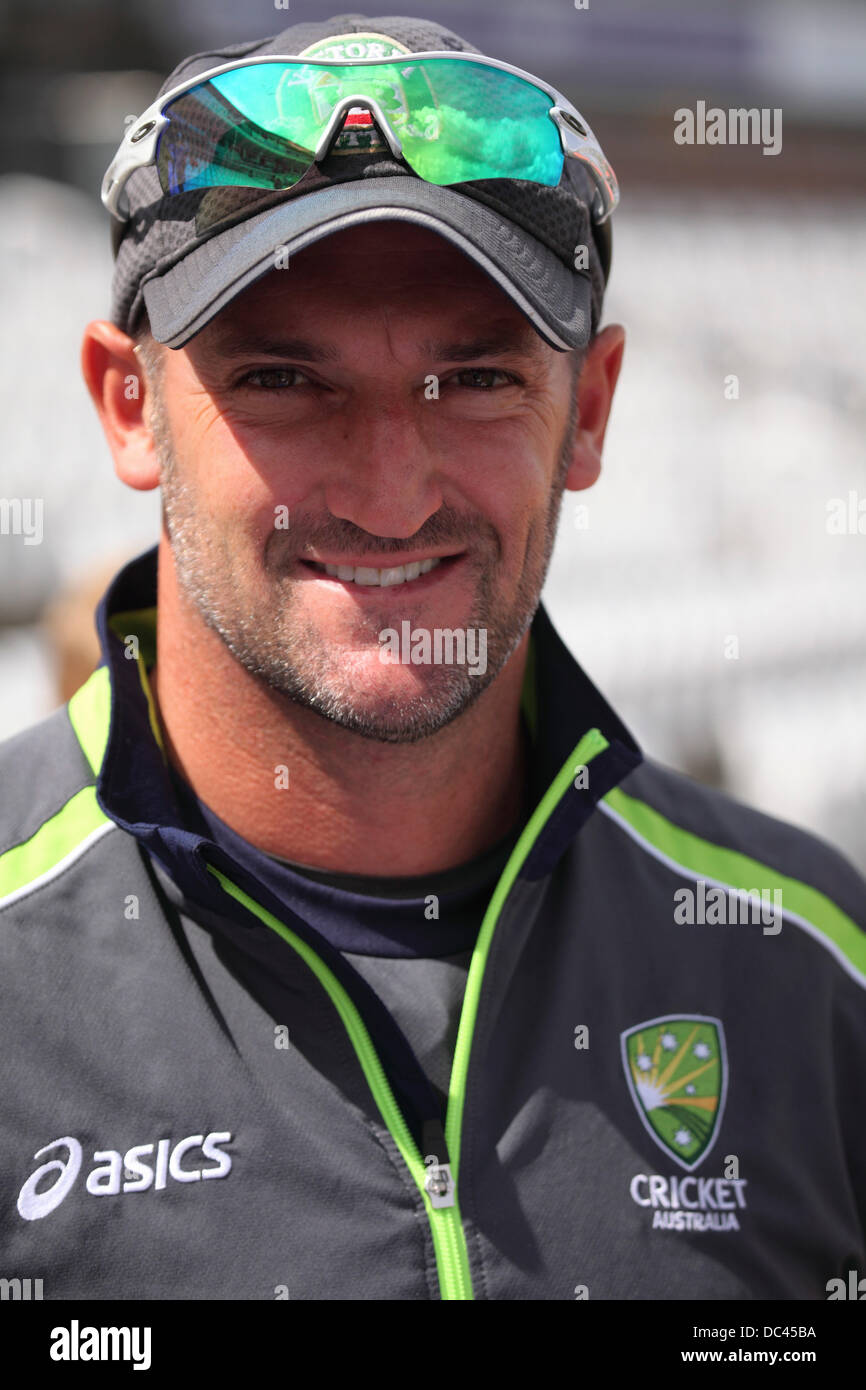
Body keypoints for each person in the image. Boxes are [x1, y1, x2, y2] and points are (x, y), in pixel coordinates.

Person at [1, 13, 864, 1302]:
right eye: (286, 379)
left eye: (474, 382)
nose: (393, 496)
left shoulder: (810, 958)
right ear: (130, 407)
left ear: (593, 411)